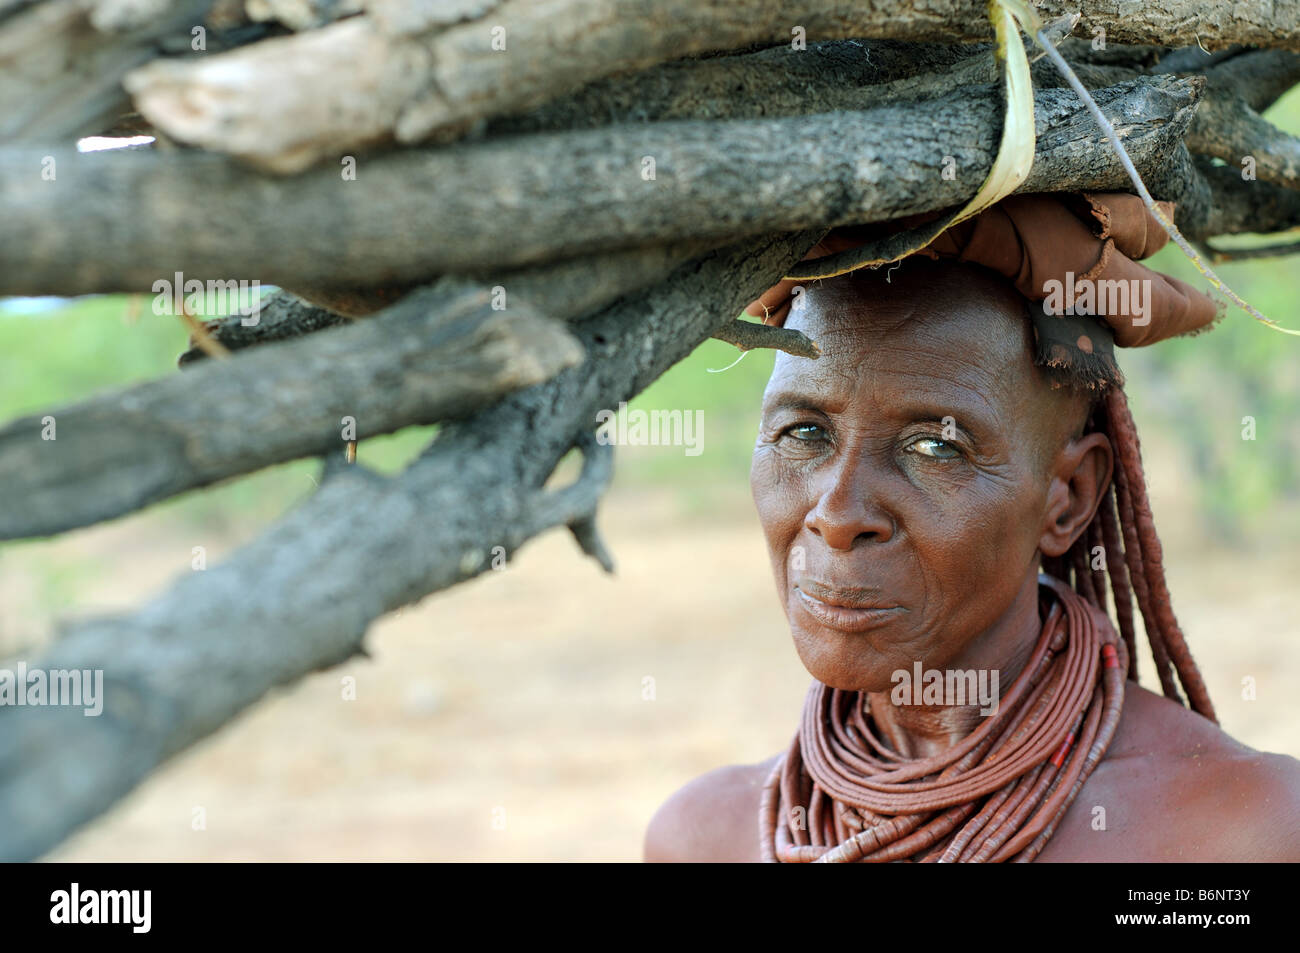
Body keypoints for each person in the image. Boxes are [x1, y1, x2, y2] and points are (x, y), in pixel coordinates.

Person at [644, 194, 1300, 862]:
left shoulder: (1239, 834)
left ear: (1067, 498)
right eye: (803, 432)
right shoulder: (703, 838)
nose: (837, 515)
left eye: (935, 448)